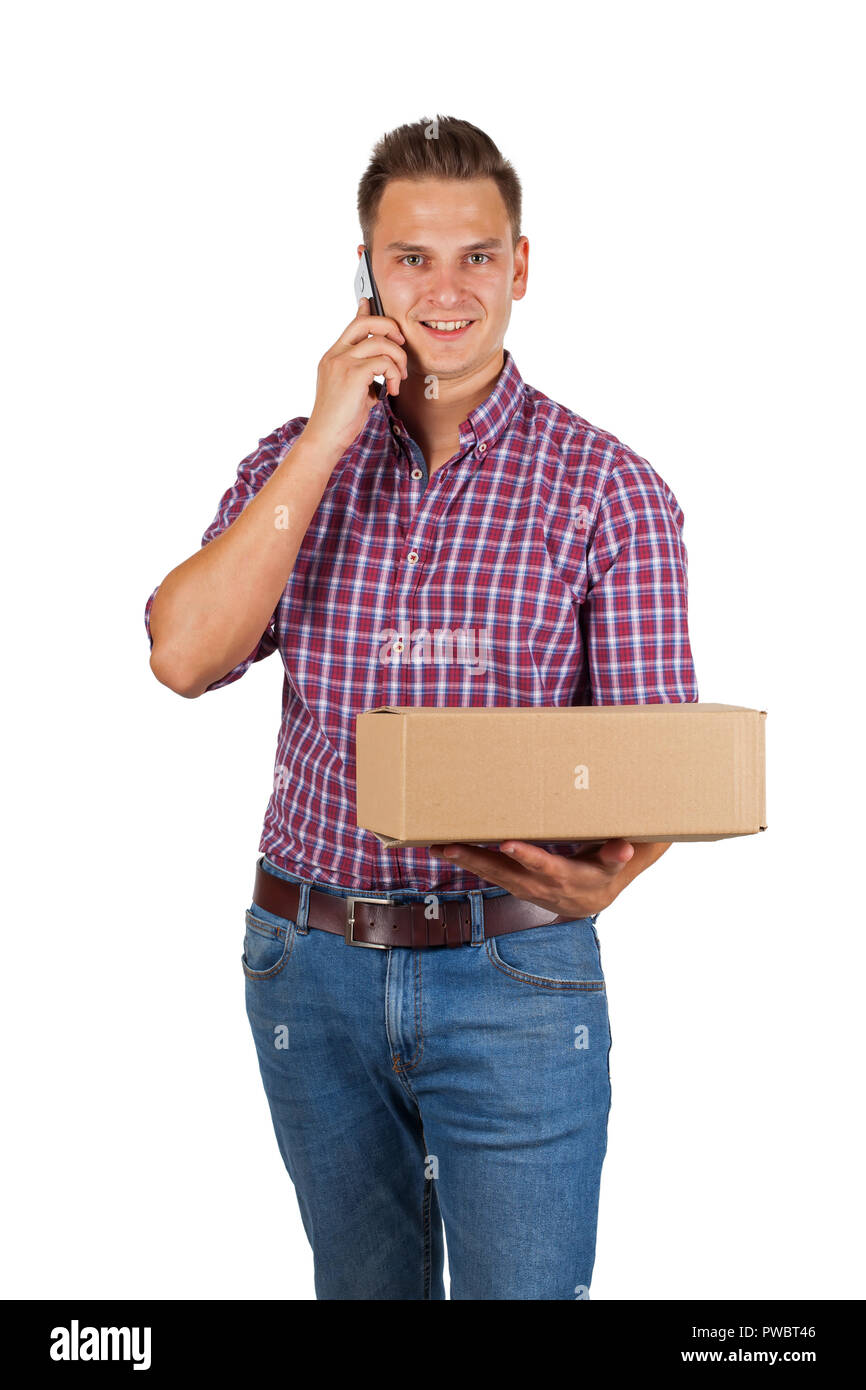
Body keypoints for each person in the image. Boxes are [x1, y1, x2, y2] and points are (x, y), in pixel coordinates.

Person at [144, 114, 698, 1300]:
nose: (445, 289)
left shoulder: (609, 488)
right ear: (367, 273)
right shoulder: (294, 460)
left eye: (476, 256)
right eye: (410, 259)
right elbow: (185, 655)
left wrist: (618, 875)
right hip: (308, 969)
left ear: (521, 267)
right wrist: (328, 428)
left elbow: (662, 762)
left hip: (512, 973)